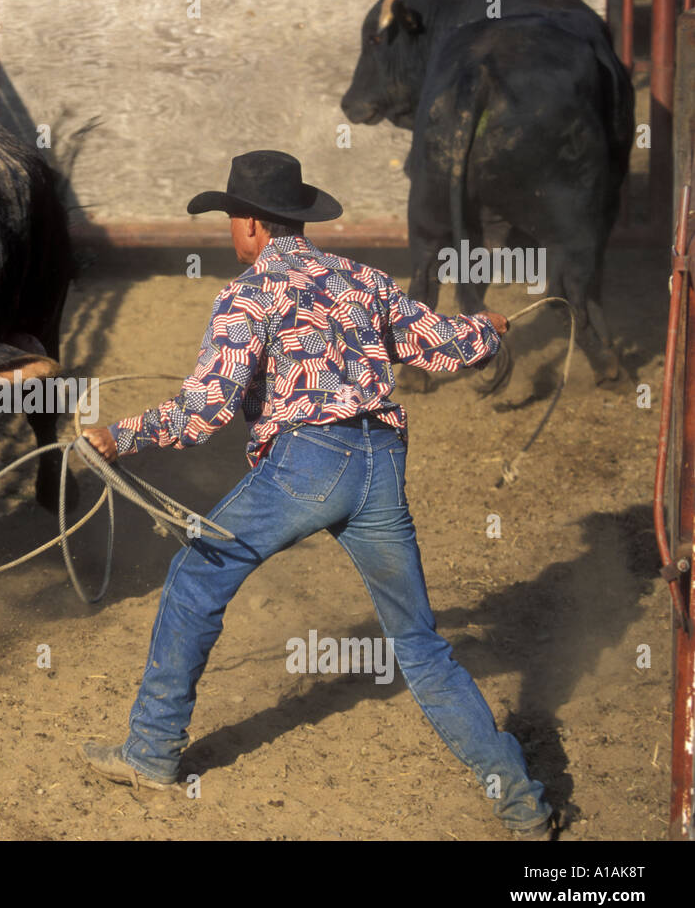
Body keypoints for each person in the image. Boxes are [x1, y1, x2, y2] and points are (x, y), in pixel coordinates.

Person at [78, 150, 555, 839]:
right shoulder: (364, 277)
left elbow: (206, 408)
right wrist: (491, 329)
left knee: (192, 577)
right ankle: (522, 803)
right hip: (381, 461)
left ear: (249, 225)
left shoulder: (248, 292)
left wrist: (121, 437)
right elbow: (441, 344)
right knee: (420, 646)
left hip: (308, 461)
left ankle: (151, 751)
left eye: (232, 221)